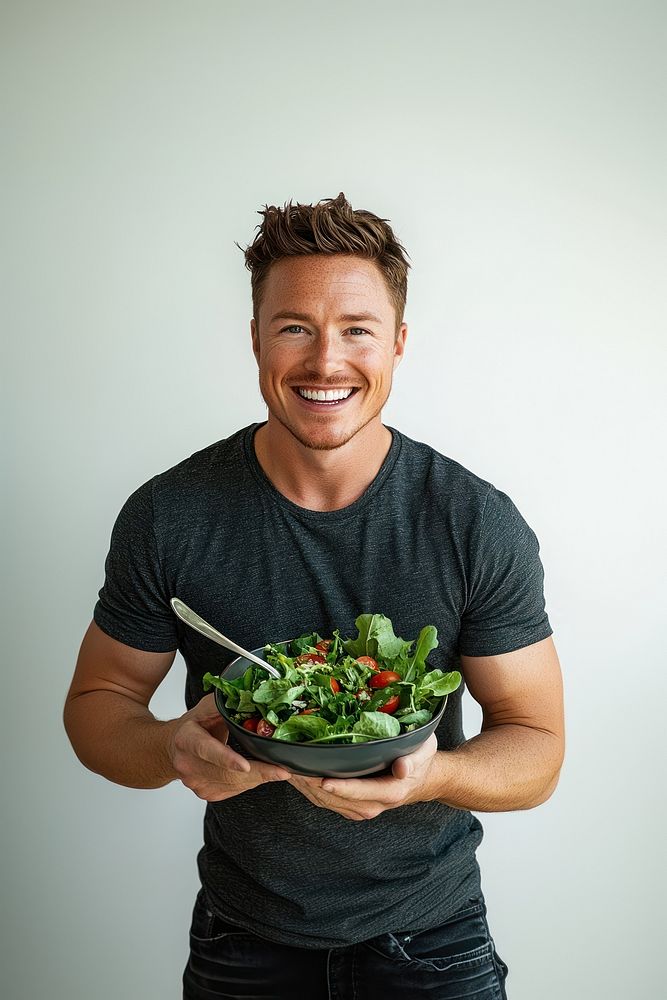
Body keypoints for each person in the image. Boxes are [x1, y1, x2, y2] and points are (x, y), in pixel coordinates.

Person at [64, 193, 564, 1000]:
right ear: (255, 338)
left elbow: (538, 748)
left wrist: (428, 777)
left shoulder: (474, 522)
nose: (325, 361)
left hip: (432, 942)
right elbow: (97, 701)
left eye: (356, 329)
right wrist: (170, 750)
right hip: (243, 944)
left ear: (397, 344)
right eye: (294, 326)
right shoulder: (171, 514)